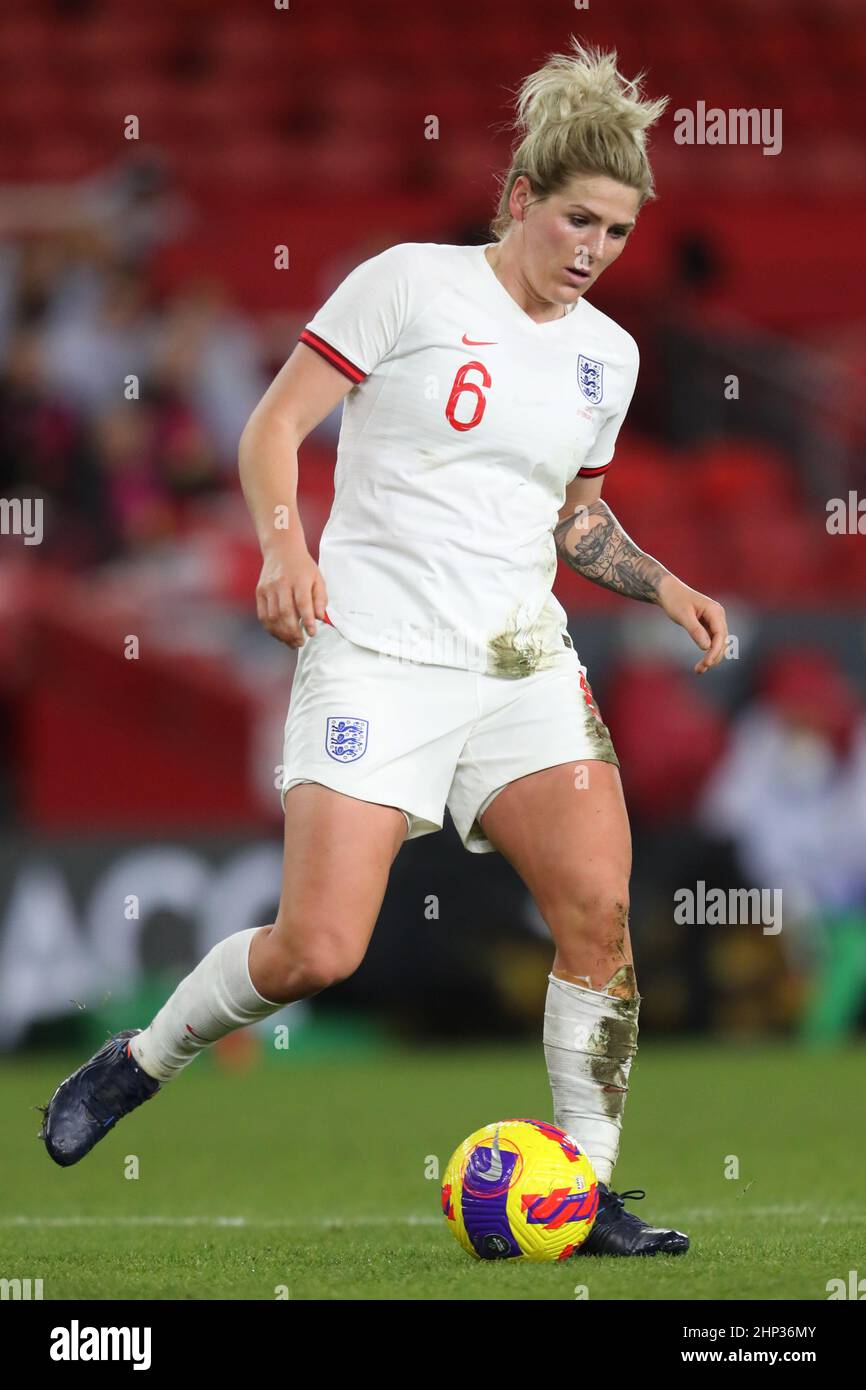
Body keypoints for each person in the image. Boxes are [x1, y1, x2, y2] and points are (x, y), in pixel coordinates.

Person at [39, 40, 727, 1256]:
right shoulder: (407, 284)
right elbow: (273, 426)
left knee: (598, 918)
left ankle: (585, 1187)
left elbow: (570, 513)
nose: (591, 252)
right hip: (377, 658)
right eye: (576, 219)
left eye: (616, 234)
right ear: (520, 200)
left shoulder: (602, 356)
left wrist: (663, 582)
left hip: (520, 663)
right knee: (317, 949)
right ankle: (143, 1056)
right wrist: (282, 547)